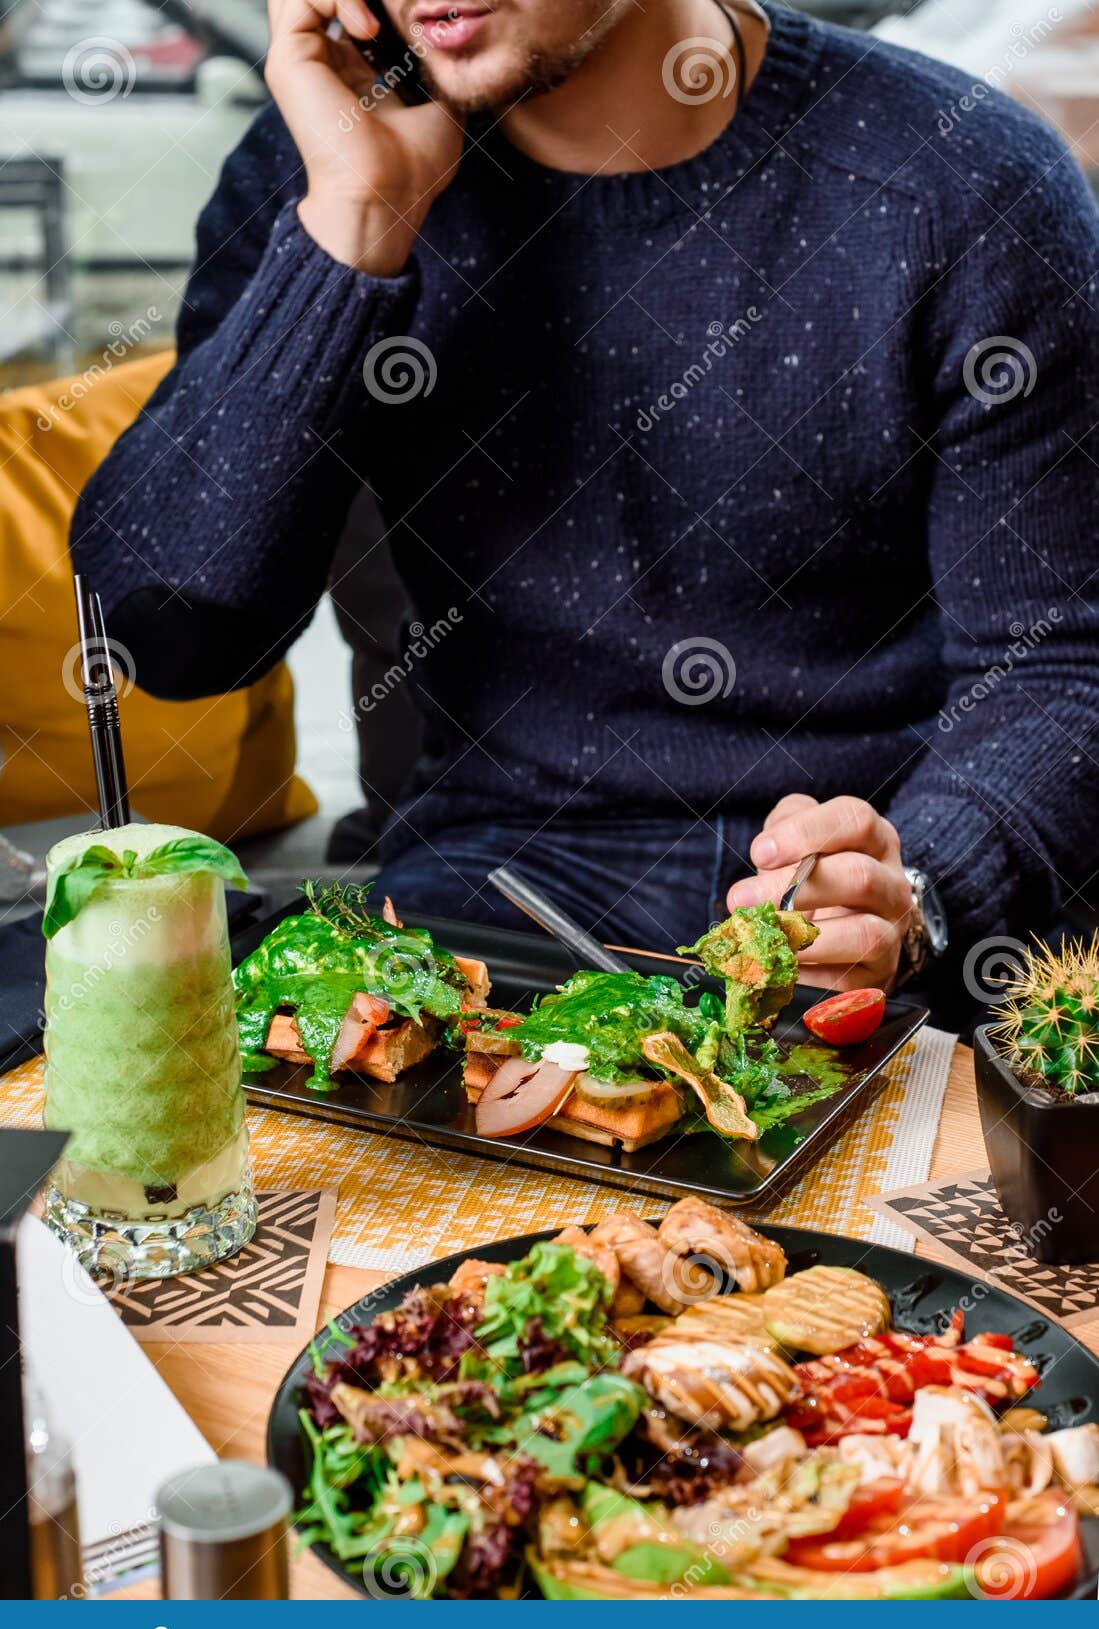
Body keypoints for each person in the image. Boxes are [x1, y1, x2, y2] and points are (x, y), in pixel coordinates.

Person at [70, 0, 1099, 1026]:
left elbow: (1060, 666)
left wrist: (918, 885)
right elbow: (161, 638)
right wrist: (353, 227)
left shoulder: (962, 183)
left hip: (885, 886)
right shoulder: (329, 154)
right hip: (498, 894)